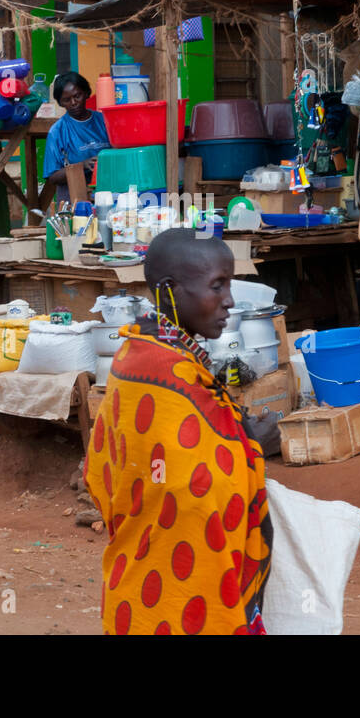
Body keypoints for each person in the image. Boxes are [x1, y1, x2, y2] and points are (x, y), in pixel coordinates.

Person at [84, 228, 273, 635]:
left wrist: (240, 437)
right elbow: (200, 484)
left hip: (142, 587)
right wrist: (253, 445)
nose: (230, 301)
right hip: (187, 594)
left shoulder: (141, 354)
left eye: (230, 284)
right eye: (217, 286)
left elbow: (102, 471)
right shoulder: (162, 369)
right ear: (170, 290)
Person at [42, 72, 110, 202]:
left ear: (86, 93)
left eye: (77, 96)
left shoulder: (105, 121)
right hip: (74, 199)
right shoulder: (57, 131)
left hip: (109, 192)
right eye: (67, 100)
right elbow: (53, 177)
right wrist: (82, 166)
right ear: (61, 103)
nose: (73, 102)